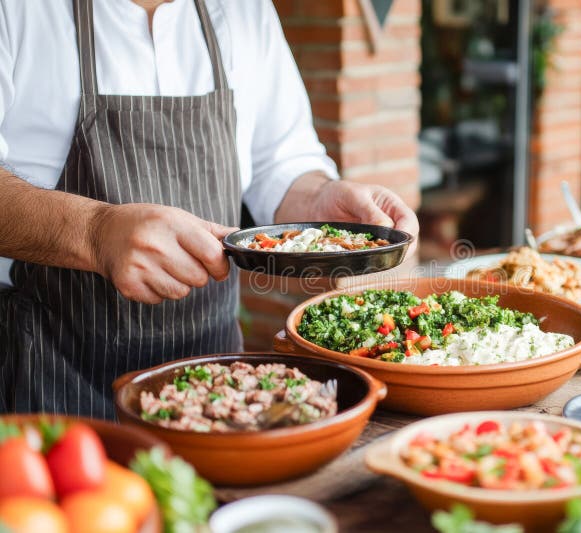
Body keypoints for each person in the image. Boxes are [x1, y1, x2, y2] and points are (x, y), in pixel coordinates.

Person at [0, 0, 418, 418]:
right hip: (50, 386)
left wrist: (318, 198)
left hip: (218, 395)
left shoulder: (245, 10)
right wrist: (94, 232)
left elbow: (280, 160)